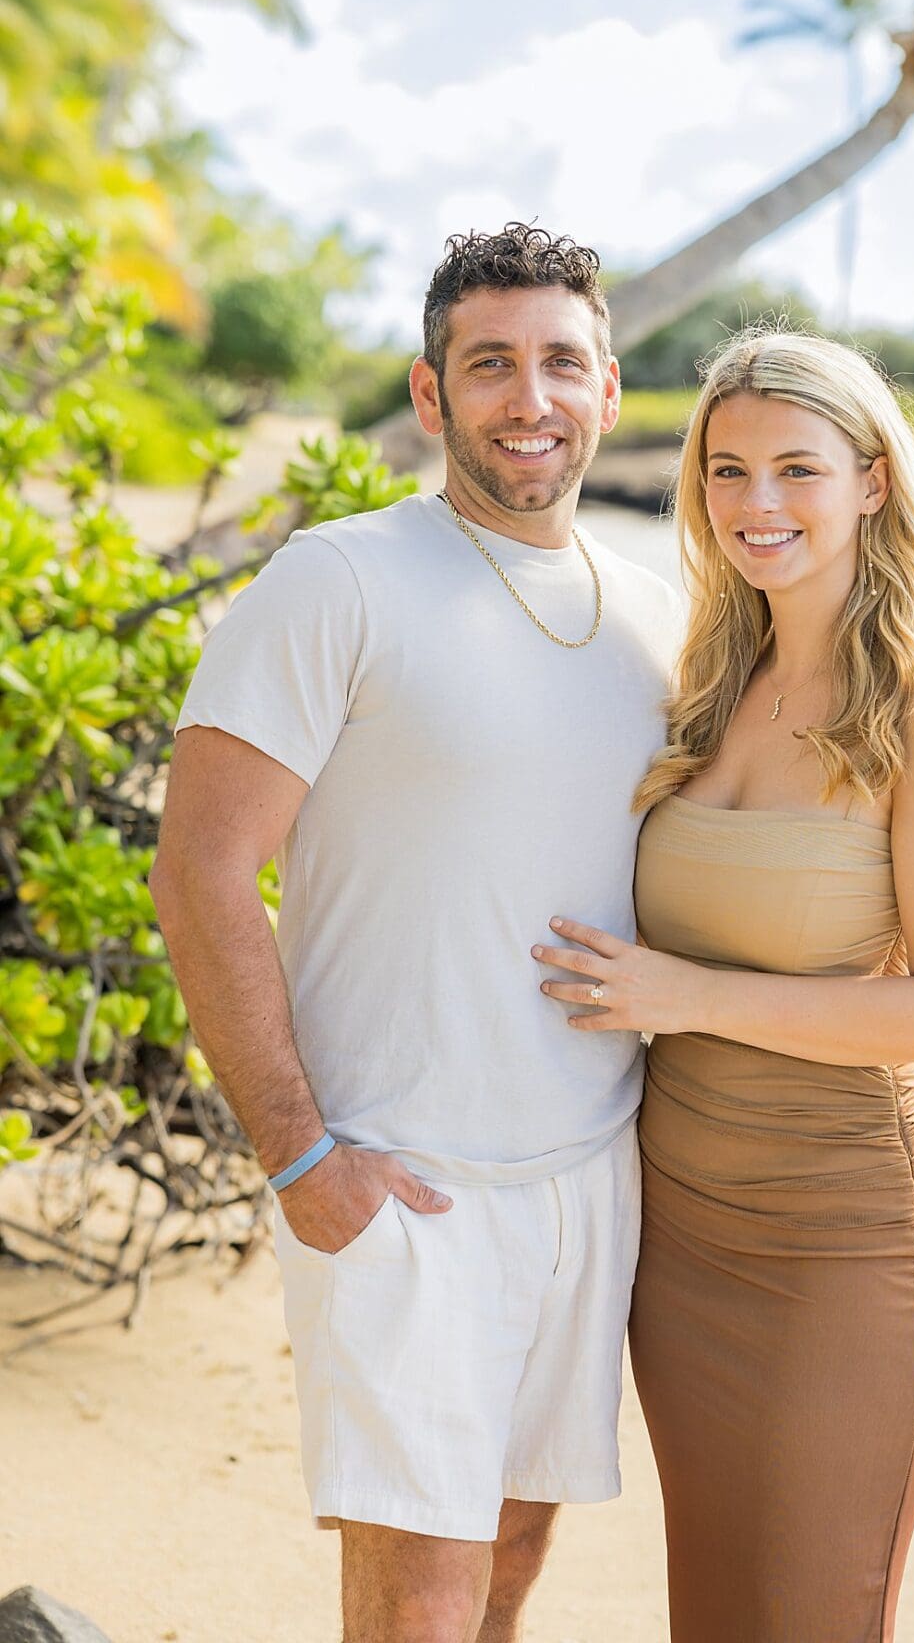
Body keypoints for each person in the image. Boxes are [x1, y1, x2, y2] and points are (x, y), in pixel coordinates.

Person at [148, 223, 682, 1643]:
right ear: (431, 392)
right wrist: (298, 1153)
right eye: (490, 364)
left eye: (561, 363)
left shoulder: (655, 619)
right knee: (422, 1604)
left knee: (510, 1555)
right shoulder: (338, 580)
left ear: (610, 390)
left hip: (591, 1174)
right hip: (400, 1180)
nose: (531, 398)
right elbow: (201, 871)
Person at [535, 327, 914, 1643]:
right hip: (681, 1234)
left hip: (842, 1238)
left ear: (872, 481)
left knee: (816, 1615)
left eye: (797, 470)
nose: (756, 505)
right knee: (711, 1610)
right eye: (726, 470)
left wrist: (682, 997)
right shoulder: (701, 685)